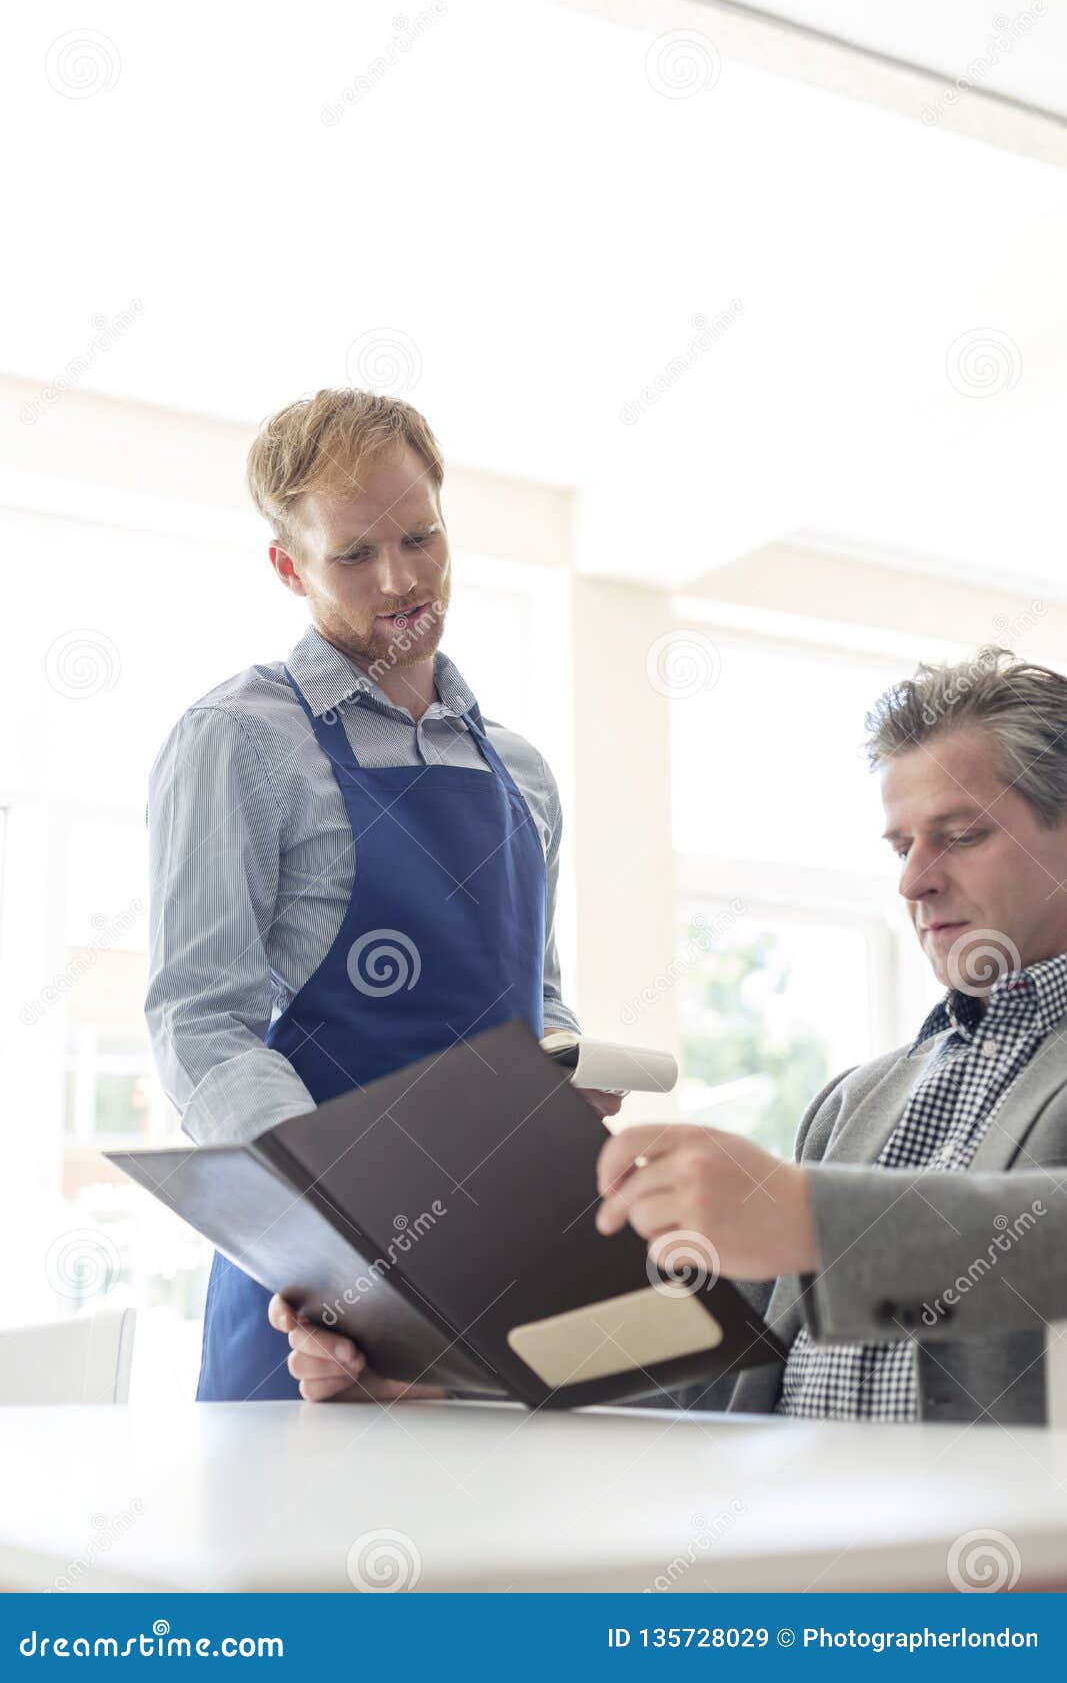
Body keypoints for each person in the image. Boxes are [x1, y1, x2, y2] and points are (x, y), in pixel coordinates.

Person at [285, 649, 1067, 1424]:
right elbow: (718, 1368)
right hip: (821, 1538)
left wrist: (811, 1219)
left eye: (960, 835)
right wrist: (442, 1377)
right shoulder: (853, 1103)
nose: (912, 881)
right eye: (901, 847)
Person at [146, 387, 619, 1403]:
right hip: (312, 1302)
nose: (402, 580)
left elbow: (534, 1003)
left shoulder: (522, 773)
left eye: (421, 538)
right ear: (289, 565)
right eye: (355, 555)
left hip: (497, 1271)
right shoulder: (238, 740)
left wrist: (567, 1087)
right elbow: (201, 1022)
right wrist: (326, 1226)